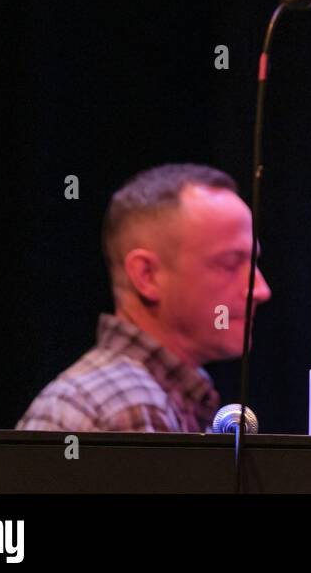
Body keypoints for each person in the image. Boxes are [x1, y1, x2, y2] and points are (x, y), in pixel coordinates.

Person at [18, 164, 271, 432]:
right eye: (230, 264)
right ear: (147, 275)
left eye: (253, 263)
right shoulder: (125, 407)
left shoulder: (153, 397)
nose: (261, 290)